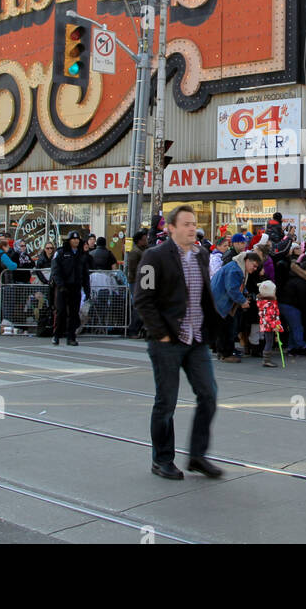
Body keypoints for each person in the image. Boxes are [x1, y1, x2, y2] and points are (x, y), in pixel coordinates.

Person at [133, 204, 223, 480]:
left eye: (193, 223)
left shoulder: (202, 255)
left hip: (196, 339)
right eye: (185, 224)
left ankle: (197, 456)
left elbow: (202, 296)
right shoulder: (153, 256)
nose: (191, 228)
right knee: (166, 401)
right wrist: (159, 333)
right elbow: (143, 299)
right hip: (167, 340)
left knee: (208, 394)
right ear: (171, 228)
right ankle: (162, 459)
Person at [51, 231, 89, 346]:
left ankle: (71, 337)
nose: (76, 241)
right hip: (63, 287)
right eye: (73, 239)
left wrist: (87, 289)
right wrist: (60, 285)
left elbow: (85, 273)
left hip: (76, 287)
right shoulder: (61, 253)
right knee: (61, 311)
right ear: (69, 240)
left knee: (73, 313)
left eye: (77, 239)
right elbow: (55, 270)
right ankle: (56, 335)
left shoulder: (81, 254)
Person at [255, 280, 283, 368]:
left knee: (269, 341)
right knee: (269, 342)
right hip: (269, 326)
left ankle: (267, 359)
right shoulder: (269, 304)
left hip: (267, 325)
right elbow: (270, 317)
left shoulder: (265, 302)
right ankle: (266, 360)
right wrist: (274, 326)